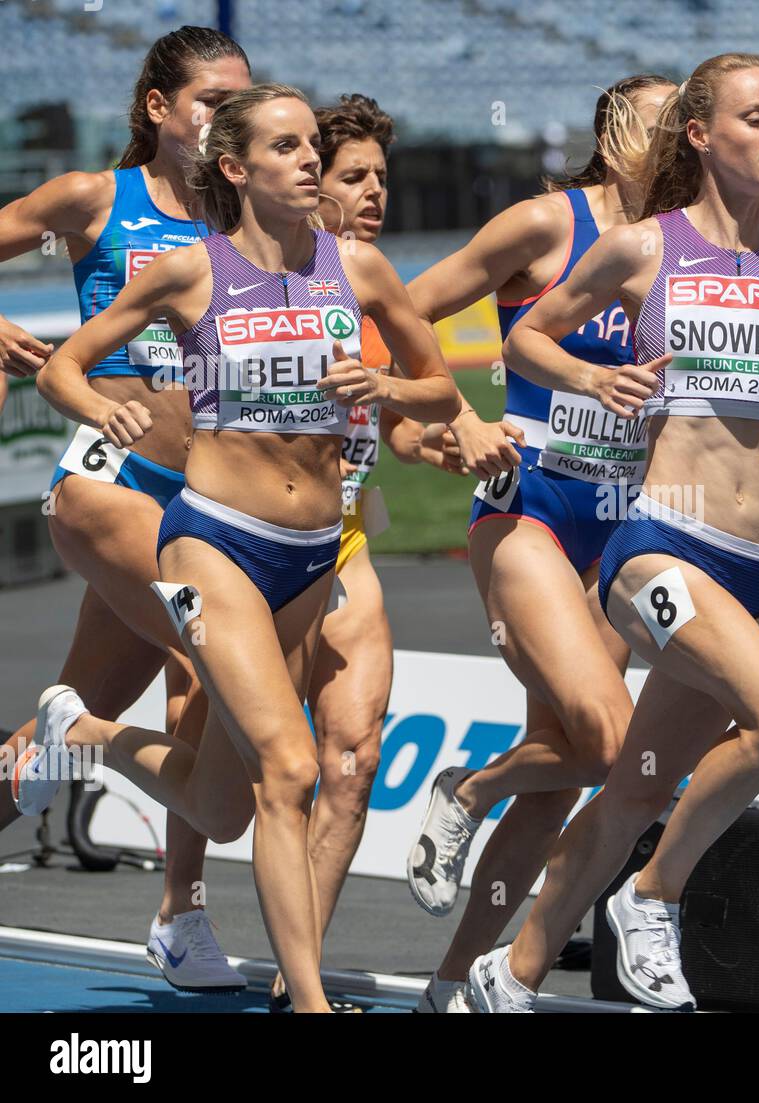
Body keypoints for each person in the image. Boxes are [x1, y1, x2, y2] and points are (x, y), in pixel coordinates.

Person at [20, 83, 462, 1012]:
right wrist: (103, 407)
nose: (311, 160)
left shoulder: (361, 270)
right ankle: (306, 1002)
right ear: (236, 167)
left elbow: (439, 393)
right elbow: (64, 365)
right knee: (290, 768)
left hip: (311, 556)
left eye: (313, 146)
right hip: (211, 543)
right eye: (288, 147)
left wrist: (380, 384)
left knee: (220, 805)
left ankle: (87, 733)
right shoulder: (189, 272)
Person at [465, 53, 759, 1013]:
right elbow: (528, 334)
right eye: (755, 117)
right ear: (700, 134)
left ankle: (508, 972)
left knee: (637, 787)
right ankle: (652, 896)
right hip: (661, 549)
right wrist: (589, 379)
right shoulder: (644, 247)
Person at [402, 75, 672, 1013]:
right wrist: (460, 417)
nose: (677, 134)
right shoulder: (546, 225)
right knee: (605, 742)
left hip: (630, 519)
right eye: (660, 118)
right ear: (613, 129)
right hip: (534, 503)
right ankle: (470, 789)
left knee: (557, 775)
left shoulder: (686, 241)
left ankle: (453, 987)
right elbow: (403, 311)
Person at [0, 26, 251, 992]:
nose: (224, 118)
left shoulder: (244, 217)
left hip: (211, 487)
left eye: (240, 102)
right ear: (158, 107)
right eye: (208, 101)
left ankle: (62, 764)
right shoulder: (91, 199)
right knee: (210, 657)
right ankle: (181, 914)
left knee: (72, 723)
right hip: (112, 474)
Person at [261, 92, 465, 1013]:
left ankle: (292, 988)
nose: (374, 190)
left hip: (341, 548)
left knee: (350, 763)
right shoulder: (233, 275)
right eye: (354, 175)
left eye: (383, 174)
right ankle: (93, 741)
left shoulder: (370, 281)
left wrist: (449, 437)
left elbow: (411, 404)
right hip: (238, 554)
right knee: (226, 793)